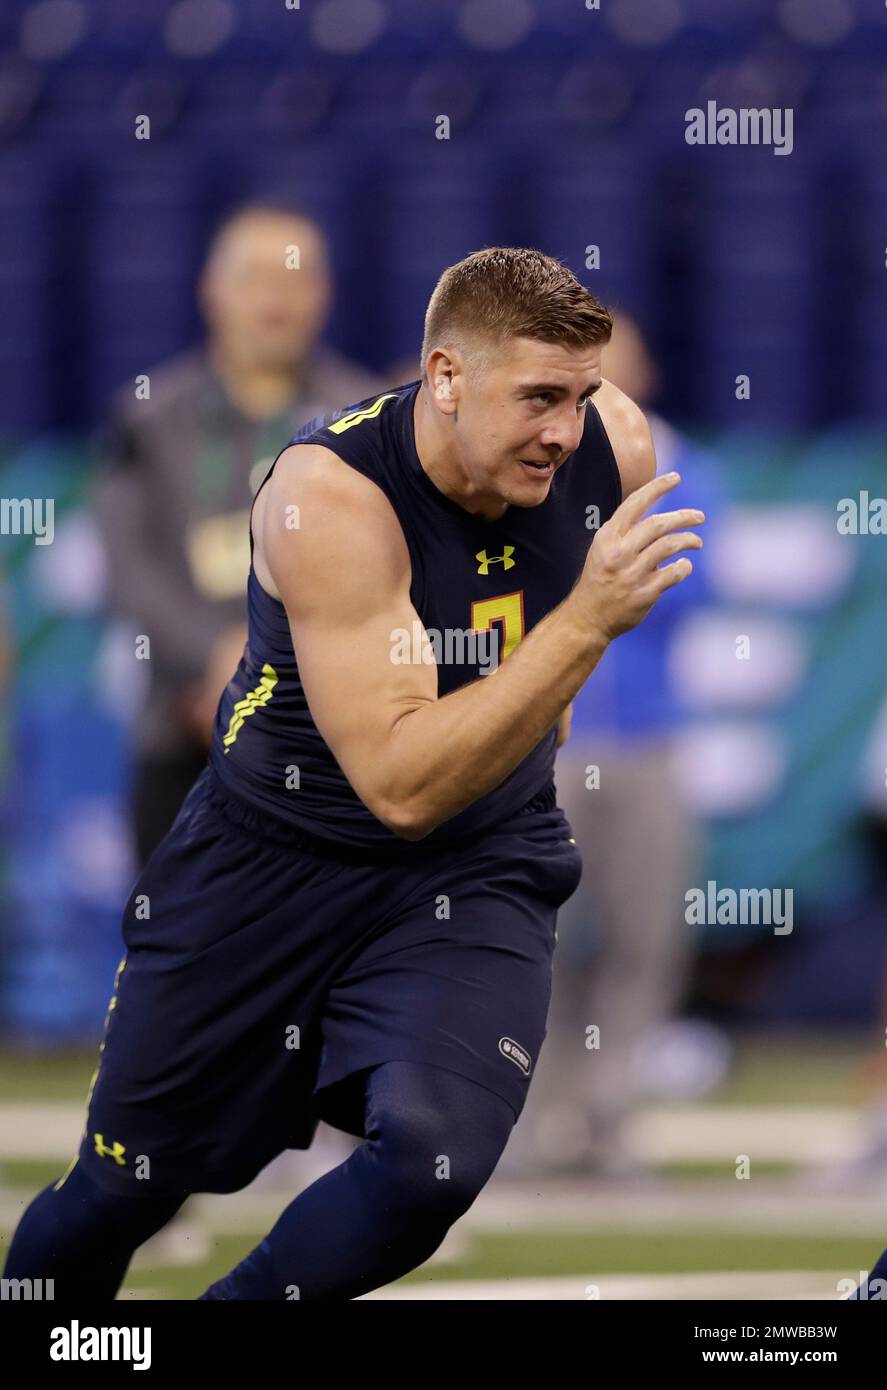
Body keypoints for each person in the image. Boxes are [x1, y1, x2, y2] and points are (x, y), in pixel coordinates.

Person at [4, 247, 704, 1301]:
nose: (564, 427)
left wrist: (531, 731)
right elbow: (397, 782)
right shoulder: (326, 496)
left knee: (431, 1162)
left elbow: (503, 741)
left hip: (470, 860)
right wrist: (581, 625)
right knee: (128, 1186)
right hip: (270, 864)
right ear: (445, 376)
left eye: (579, 393)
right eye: (536, 398)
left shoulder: (617, 446)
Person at [93, 203, 383, 867]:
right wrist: (212, 657)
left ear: (324, 294)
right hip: (179, 743)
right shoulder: (148, 419)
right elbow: (127, 572)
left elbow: (391, 568)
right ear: (211, 290)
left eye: (296, 277)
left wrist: (268, 673)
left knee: (319, 962)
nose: (276, 299)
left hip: (329, 752)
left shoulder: (368, 416)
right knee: (179, 961)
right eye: (255, 278)